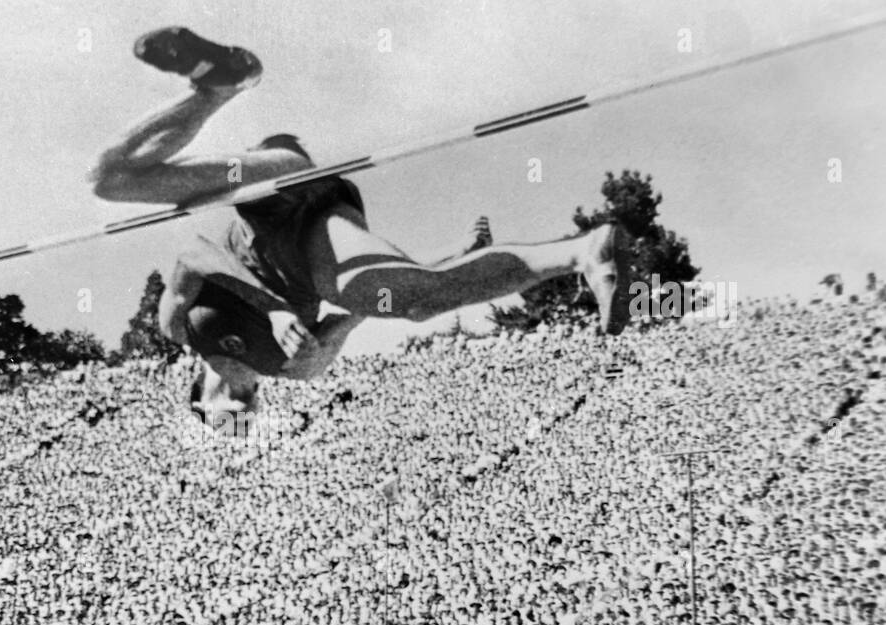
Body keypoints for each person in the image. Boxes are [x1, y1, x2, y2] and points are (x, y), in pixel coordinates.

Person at [88, 26, 632, 424]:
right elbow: (363, 305)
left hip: (266, 199)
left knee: (110, 179)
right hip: (316, 234)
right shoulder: (299, 368)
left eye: (229, 406)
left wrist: (275, 310)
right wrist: (441, 262)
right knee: (416, 302)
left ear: (197, 393)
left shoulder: (179, 328)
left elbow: (193, 255)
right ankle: (583, 253)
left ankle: (219, 87)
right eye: (249, 406)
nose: (244, 399)